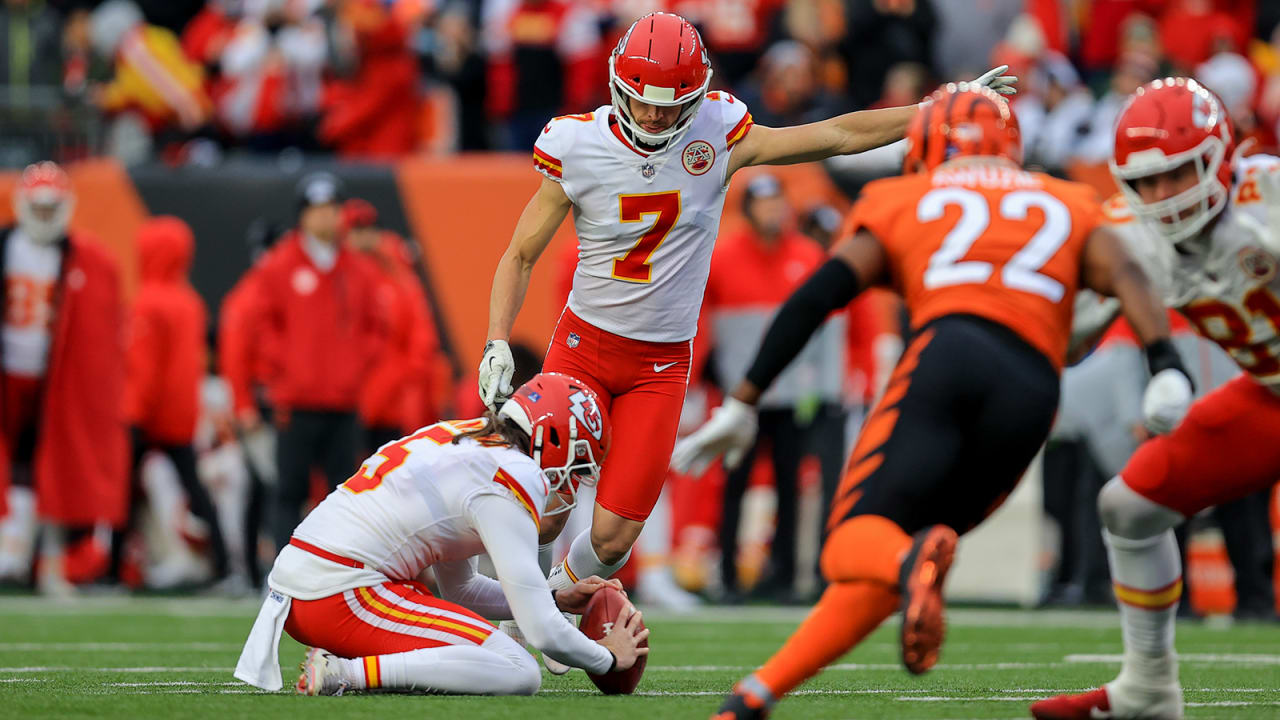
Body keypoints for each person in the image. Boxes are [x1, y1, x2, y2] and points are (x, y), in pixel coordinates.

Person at [478, 11, 1016, 630]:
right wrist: (497, 339)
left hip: (660, 362)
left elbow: (835, 135)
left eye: (669, 106)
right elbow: (519, 253)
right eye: (642, 104)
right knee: (538, 495)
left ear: (698, 95)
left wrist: (930, 112)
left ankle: (546, 604)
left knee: (615, 535)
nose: (654, 118)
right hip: (584, 346)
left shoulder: (720, 133)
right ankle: (492, 606)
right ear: (616, 87)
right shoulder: (578, 143)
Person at [669, 82, 1184, 720]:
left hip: (950, 353)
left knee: (855, 543)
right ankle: (754, 697)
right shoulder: (1067, 199)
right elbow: (1129, 273)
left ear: (929, 145)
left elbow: (820, 294)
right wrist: (1167, 363)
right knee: (894, 561)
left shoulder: (908, 195)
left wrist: (744, 400)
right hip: (1031, 391)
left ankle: (909, 561)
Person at [1031, 77, 1280, 720]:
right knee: (1129, 505)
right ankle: (1147, 690)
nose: (1163, 198)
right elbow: (1061, 336)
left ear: (1221, 156)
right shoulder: (1132, 236)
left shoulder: (1270, 197)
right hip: (1270, 395)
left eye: (1177, 175)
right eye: (1147, 182)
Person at [234, 372, 648, 696]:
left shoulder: (470, 441)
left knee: (504, 658)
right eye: (576, 469)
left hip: (313, 586)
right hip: (341, 591)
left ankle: (350, 668)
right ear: (553, 443)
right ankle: (347, 673)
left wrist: (554, 598)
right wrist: (607, 658)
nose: (571, 486)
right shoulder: (510, 477)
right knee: (518, 669)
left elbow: (460, 589)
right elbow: (540, 633)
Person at [702, 172, 845, 602]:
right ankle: (726, 575)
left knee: (789, 483)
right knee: (733, 485)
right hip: (742, 397)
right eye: (763, 204)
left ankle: (783, 575)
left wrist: (828, 389)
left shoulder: (807, 255)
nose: (771, 211)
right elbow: (700, 323)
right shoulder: (723, 257)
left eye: (776, 202)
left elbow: (829, 327)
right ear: (748, 210)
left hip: (791, 396)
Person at [239, 172, 384, 554]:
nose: (324, 218)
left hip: (342, 402)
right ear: (303, 216)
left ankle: (337, 572)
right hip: (297, 402)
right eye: (316, 210)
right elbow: (261, 326)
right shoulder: (280, 266)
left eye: (331, 209)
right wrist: (284, 368)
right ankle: (283, 574)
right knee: (289, 490)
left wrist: (354, 368)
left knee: (345, 493)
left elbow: (377, 327)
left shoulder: (358, 269)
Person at [0, 161, 127, 596]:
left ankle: (50, 564)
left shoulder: (86, 257)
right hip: (9, 375)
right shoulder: (9, 245)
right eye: (37, 206)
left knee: (55, 472)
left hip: (54, 382)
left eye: (51, 206)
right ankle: (16, 554)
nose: (43, 215)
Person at [116, 215, 229, 586]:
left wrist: (132, 413)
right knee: (196, 492)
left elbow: (144, 370)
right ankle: (226, 565)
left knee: (122, 491)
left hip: (149, 415)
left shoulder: (148, 302)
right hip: (182, 414)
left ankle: (113, 567)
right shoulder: (190, 302)